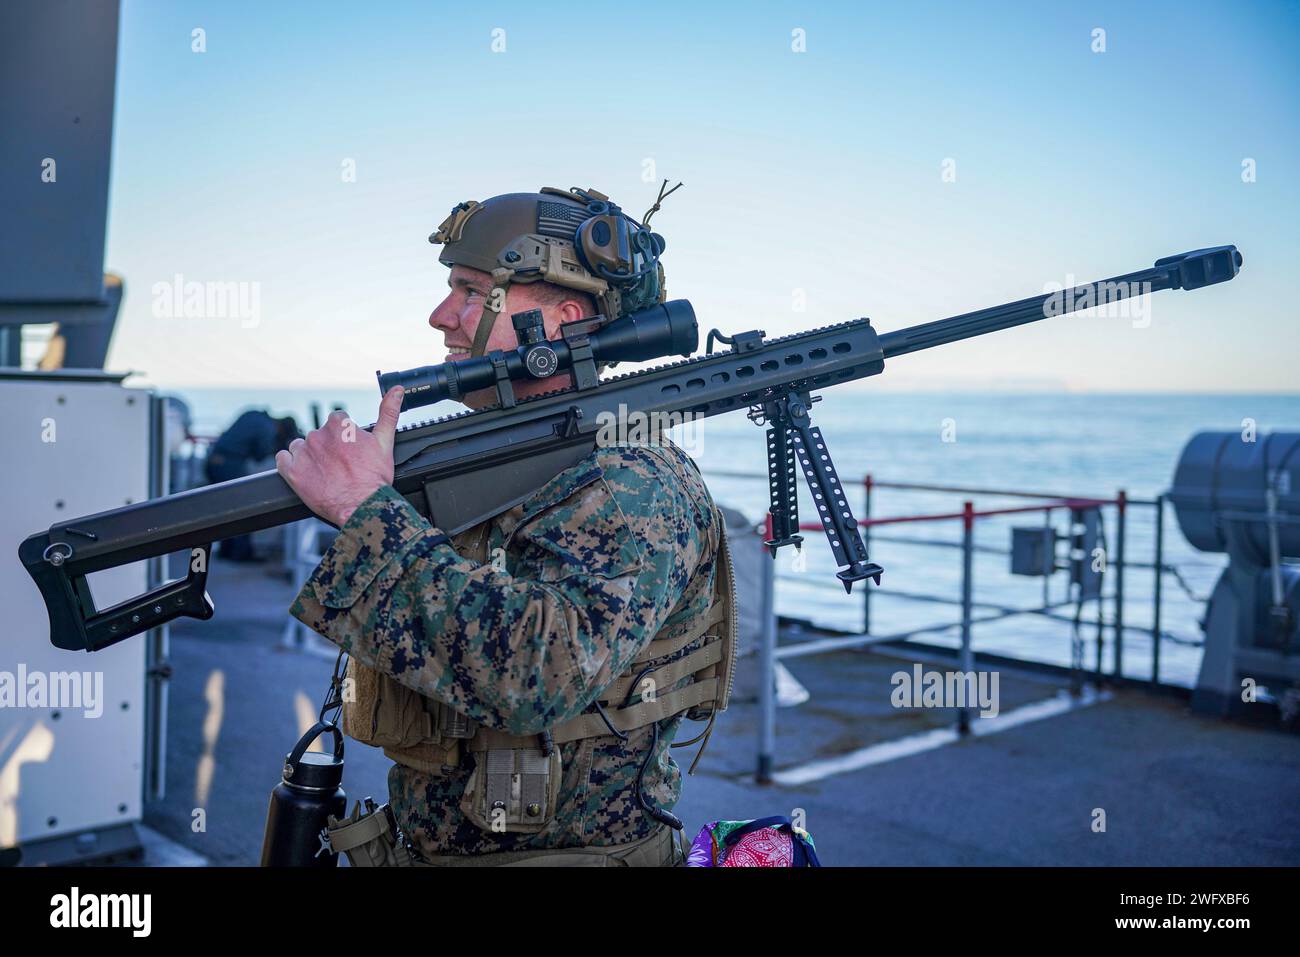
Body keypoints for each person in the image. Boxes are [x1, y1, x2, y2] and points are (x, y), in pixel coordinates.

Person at [277, 185, 736, 867]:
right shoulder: (501, 455)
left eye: (469, 291)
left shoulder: (628, 480)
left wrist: (362, 512)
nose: (441, 316)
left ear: (564, 322)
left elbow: (540, 671)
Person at [206, 410, 301, 560]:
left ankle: (227, 551)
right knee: (242, 510)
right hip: (229, 464)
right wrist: (279, 447)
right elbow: (260, 455)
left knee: (226, 510)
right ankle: (241, 554)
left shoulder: (255, 414)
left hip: (213, 461)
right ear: (281, 428)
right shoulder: (268, 428)